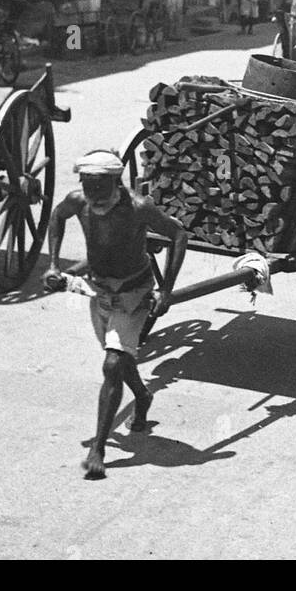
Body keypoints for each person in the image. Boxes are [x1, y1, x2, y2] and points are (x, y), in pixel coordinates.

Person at [43, 149, 187, 480]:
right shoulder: (77, 200)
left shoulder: (139, 208)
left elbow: (178, 234)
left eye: (103, 198)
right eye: (90, 197)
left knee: (112, 363)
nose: (97, 205)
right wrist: (52, 263)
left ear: (116, 184)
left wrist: (166, 292)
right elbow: (56, 216)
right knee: (120, 360)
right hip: (98, 290)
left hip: (133, 292)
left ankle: (99, 450)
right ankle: (142, 394)